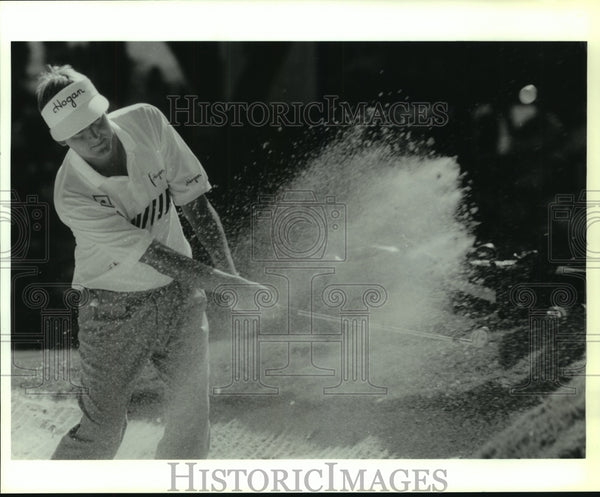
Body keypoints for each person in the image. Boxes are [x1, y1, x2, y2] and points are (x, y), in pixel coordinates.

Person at [36, 64, 259, 459]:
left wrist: (232, 275)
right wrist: (225, 285)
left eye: (95, 121)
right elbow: (155, 256)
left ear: (104, 110)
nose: (94, 136)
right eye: (78, 133)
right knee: (102, 433)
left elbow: (195, 202)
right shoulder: (71, 195)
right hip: (111, 310)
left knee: (191, 421)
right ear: (62, 140)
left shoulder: (146, 121)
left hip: (181, 296)